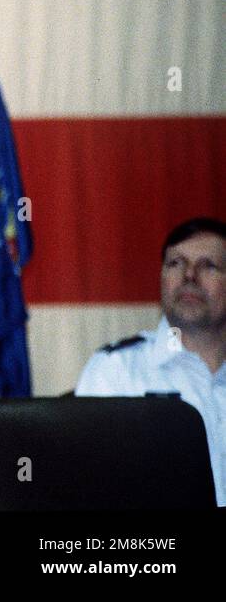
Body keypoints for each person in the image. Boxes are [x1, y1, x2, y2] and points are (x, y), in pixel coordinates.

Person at [75, 216, 226, 506]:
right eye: (175, 264)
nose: (189, 276)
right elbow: (86, 488)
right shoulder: (117, 371)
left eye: (208, 265)